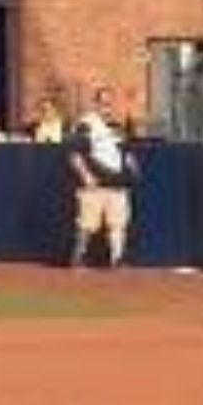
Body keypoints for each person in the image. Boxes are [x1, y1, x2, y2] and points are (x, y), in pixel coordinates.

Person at [65, 87, 136, 271]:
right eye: (103, 103)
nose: (107, 107)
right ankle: (78, 256)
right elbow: (74, 153)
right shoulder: (86, 124)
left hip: (118, 184)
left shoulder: (115, 127)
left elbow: (125, 151)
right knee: (88, 224)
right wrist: (85, 175)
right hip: (95, 184)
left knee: (118, 224)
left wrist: (131, 165)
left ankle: (118, 259)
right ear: (96, 104)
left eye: (110, 103)